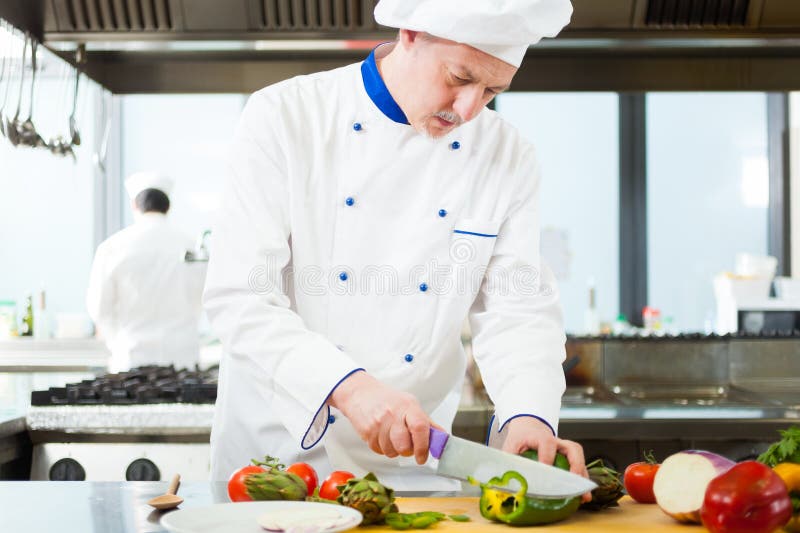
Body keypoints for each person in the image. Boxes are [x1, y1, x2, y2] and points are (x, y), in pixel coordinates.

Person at [204, 0, 589, 491]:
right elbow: (240, 296)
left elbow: (517, 309)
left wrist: (529, 415)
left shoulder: (507, 155)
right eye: (459, 77)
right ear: (411, 33)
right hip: (281, 457)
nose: (469, 109)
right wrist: (350, 387)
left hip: (410, 461)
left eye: (493, 90)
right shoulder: (285, 117)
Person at [87, 172, 207, 373]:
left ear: (135, 205)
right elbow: (204, 299)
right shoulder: (192, 245)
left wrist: (119, 340)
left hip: (131, 363)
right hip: (183, 363)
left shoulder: (112, 247)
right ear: (167, 206)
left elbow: (99, 308)